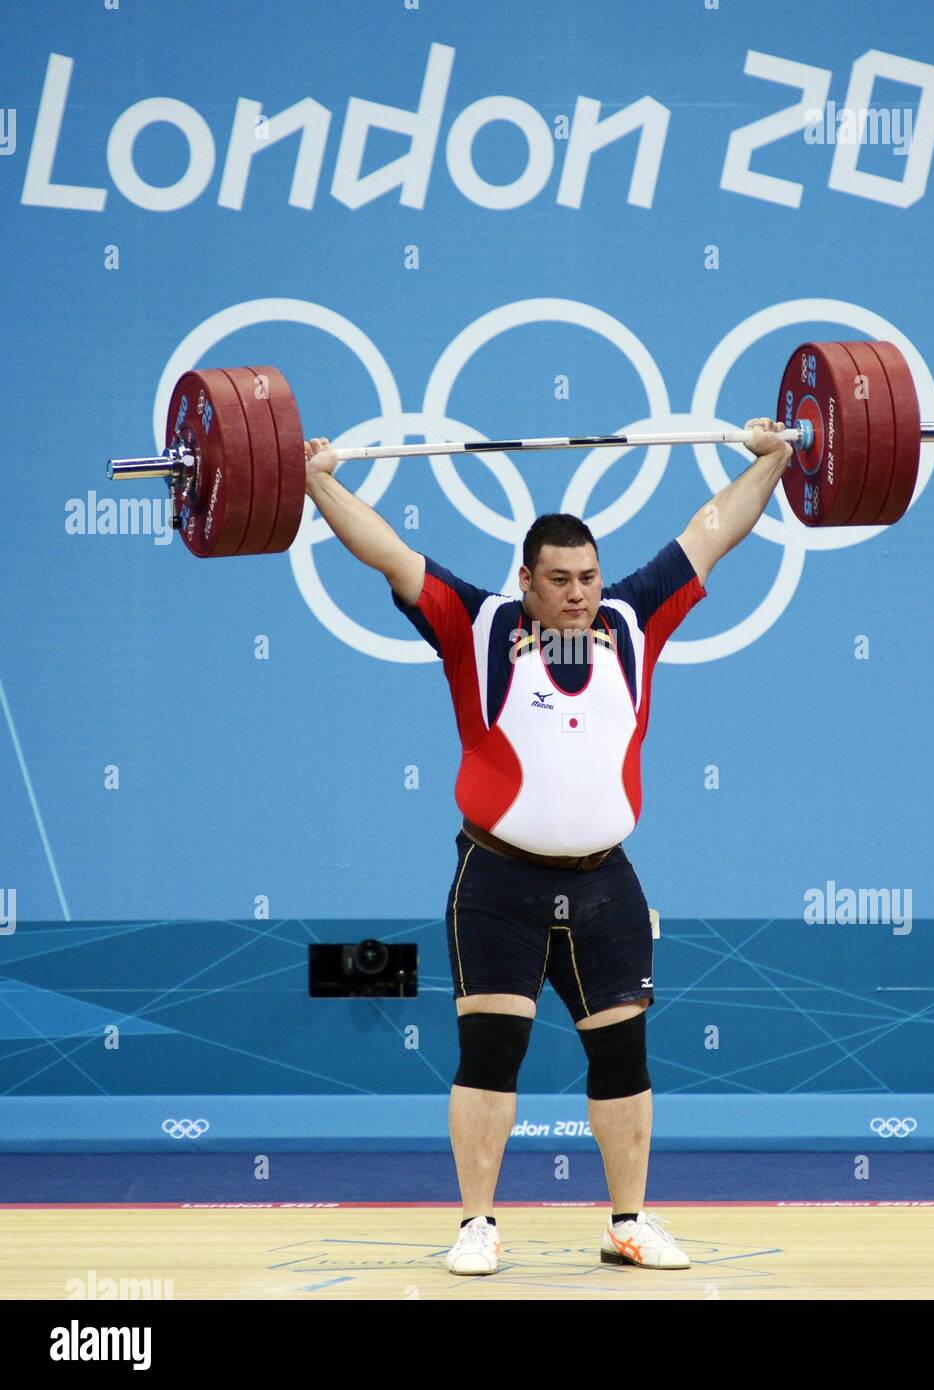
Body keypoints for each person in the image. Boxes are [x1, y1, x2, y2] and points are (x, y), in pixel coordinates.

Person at [304, 420, 792, 1274]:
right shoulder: (477, 627)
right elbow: (389, 552)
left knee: (623, 1053)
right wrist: (317, 483)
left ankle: (627, 1222)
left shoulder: (633, 621)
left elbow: (714, 528)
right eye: (559, 580)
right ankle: (477, 1225)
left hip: (606, 884)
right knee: (492, 1051)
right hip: (497, 880)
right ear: (524, 580)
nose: (578, 593)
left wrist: (777, 460)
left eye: (588, 577)